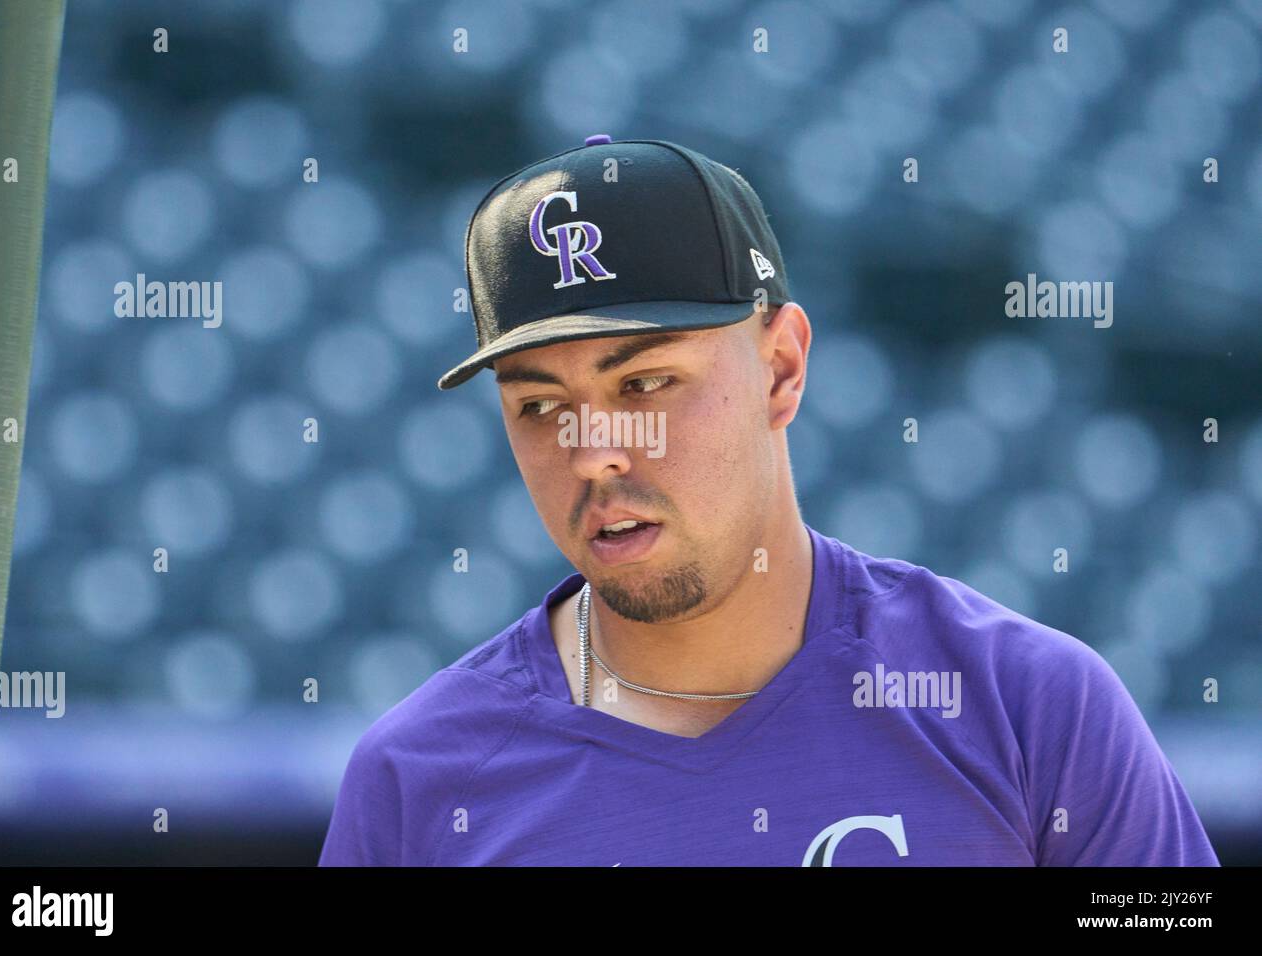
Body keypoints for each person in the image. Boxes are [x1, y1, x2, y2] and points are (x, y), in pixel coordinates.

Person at [319, 136, 1219, 866]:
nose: (593, 455)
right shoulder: (418, 785)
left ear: (781, 368)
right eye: (540, 406)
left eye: (644, 384)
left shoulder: (1026, 706)